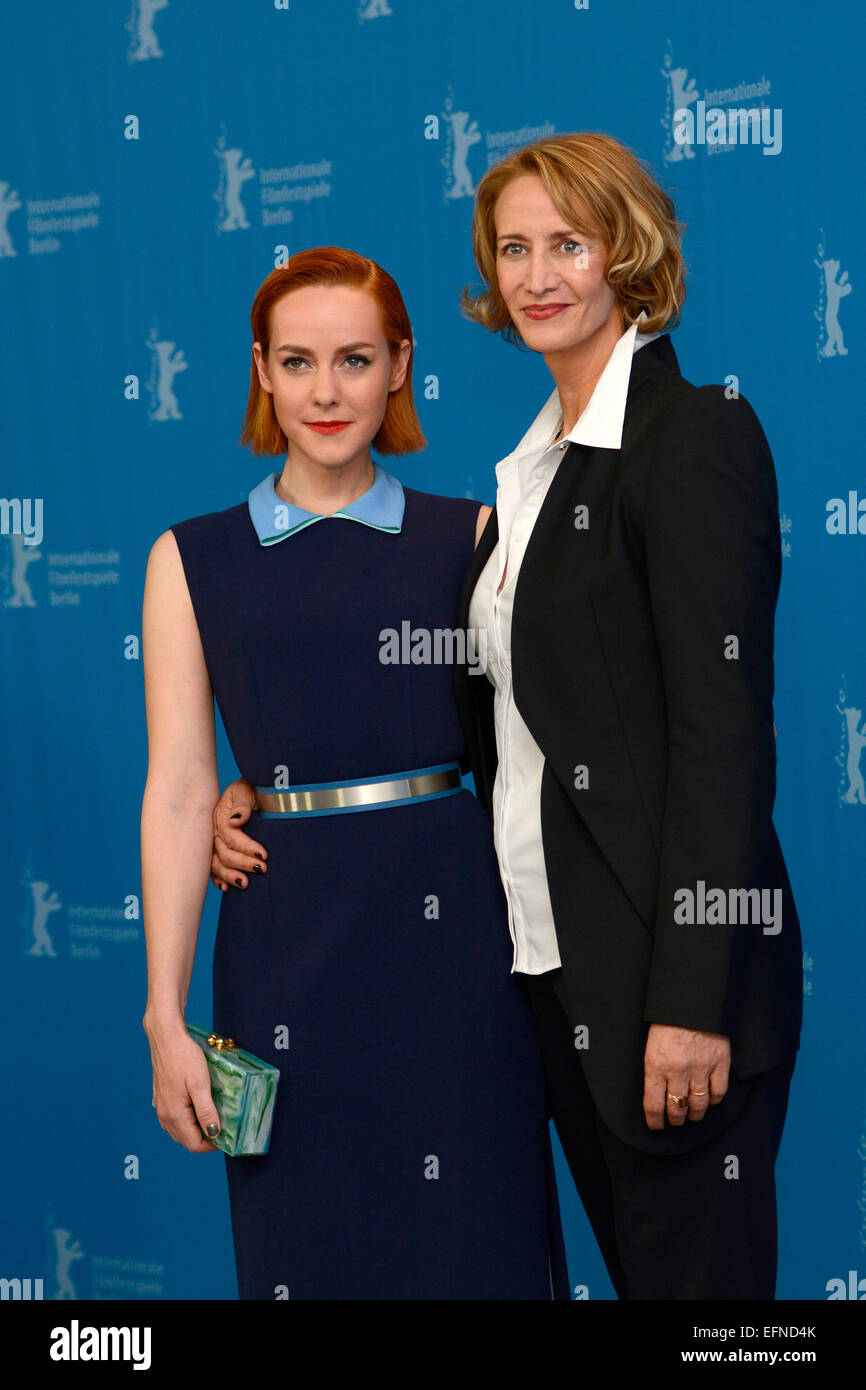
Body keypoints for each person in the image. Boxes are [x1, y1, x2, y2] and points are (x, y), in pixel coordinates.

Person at [211, 135, 803, 1300]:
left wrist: (689, 1005)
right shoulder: (530, 476)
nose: (536, 273)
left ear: (623, 254)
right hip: (544, 976)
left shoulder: (689, 440)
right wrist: (264, 789)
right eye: (513, 246)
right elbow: (472, 723)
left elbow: (720, 741)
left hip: (664, 991)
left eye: (565, 245)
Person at [140, 247, 569, 1300]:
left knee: (480, 1244)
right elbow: (182, 787)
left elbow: (530, 761)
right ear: (261, 372)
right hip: (284, 951)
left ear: (398, 368)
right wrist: (164, 1013)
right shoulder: (189, 557)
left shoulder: (471, 535)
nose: (325, 391)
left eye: (353, 359)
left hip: (460, 951)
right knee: (310, 1249)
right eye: (297, 362)